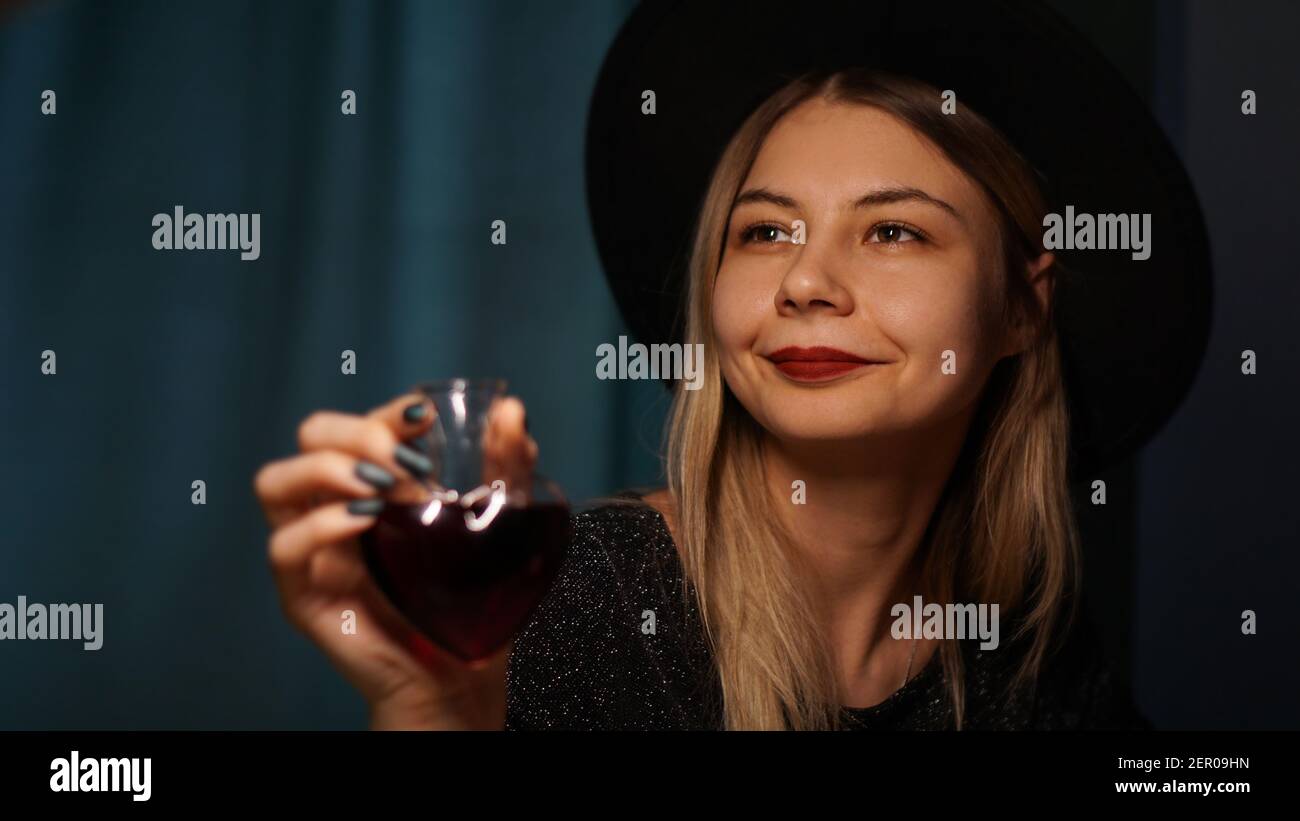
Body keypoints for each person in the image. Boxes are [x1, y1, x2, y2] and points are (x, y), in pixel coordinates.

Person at [253, 0, 1210, 731]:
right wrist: (435, 715)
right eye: (763, 231)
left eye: (891, 229)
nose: (805, 280)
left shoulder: (1032, 657)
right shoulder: (577, 608)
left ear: (1021, 306)